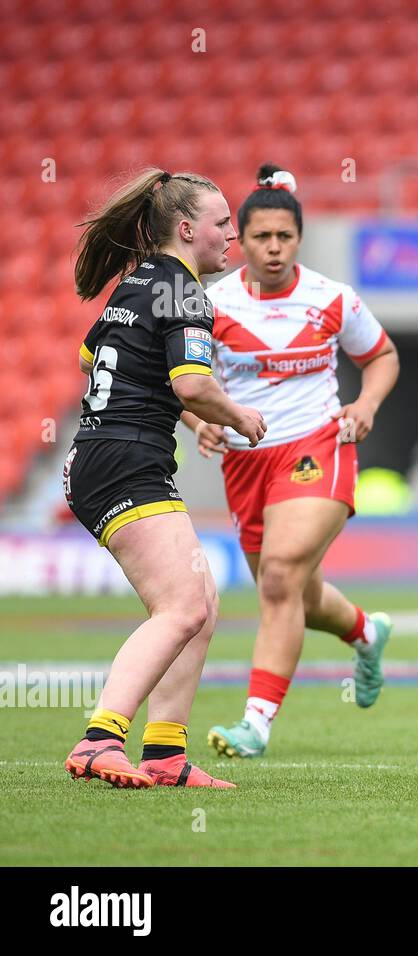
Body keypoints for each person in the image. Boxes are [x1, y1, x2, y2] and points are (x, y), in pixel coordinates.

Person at [183, 165, 399, 760]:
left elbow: (382, 357)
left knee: (278, 577)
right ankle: (365, 631)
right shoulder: (212, 304)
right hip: (246, 463)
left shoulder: (332, 298)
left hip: (318, 446)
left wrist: (367, 402)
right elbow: (177, 381)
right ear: (240, 241)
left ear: (298, 238)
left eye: (284, 236)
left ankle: (255, 724)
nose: (273, 248)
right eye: (260, 237)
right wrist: (202, 423)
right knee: (297, 596)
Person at [63, 168, 267, 789]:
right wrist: (235, 416)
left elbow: (95, 358)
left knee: (201, 606)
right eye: (223, 222)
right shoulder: (184, 292)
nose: (233, 236)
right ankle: (100, 739)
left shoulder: (137, 284)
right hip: (124, 459)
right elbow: (192, 383)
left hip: (113, 456)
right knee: (180, 605)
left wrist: (180, 411)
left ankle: (166, 753)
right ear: (186, 229)